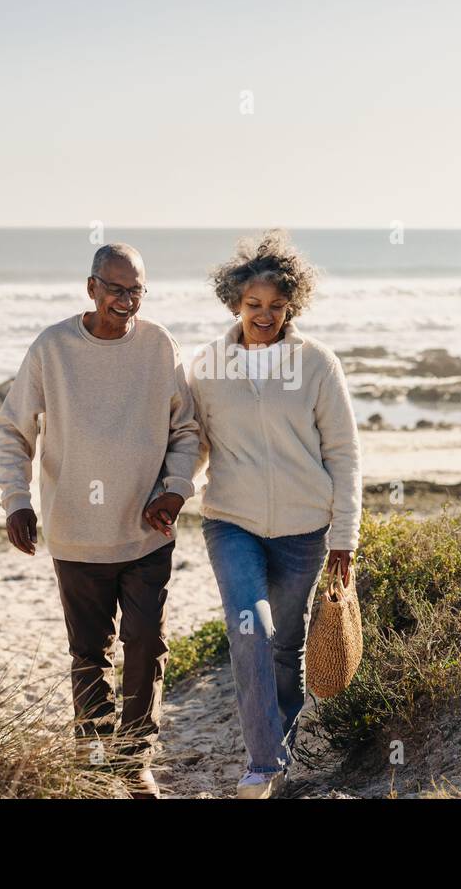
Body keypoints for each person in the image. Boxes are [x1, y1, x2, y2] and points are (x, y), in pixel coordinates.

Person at [0, 243, 199, 799]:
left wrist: (177, 490)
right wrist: (16, 500)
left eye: (136, 290)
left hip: (145, 529)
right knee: (88, 652)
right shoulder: (52, 348)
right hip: (75, 533)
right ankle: (92, 755)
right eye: (115, 288)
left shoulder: (160, 346)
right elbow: (15, 430)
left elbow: (186, 431)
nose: (126, 300)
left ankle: (134, 760)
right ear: (91, 288)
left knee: (145, 643)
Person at [186, 229, 361, 798]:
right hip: (230, 520)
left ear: (293, 306)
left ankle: (277, 743)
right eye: (253, 304)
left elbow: (344, 453)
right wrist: (169, 489)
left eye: (276, 306)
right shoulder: (208, 366)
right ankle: (263, 762)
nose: (264, 316)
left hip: (304, 530)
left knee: (286, 645)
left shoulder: (316, 364)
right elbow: (193, 442)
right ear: (234, 301)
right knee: (250, 630)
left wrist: (344, 534)